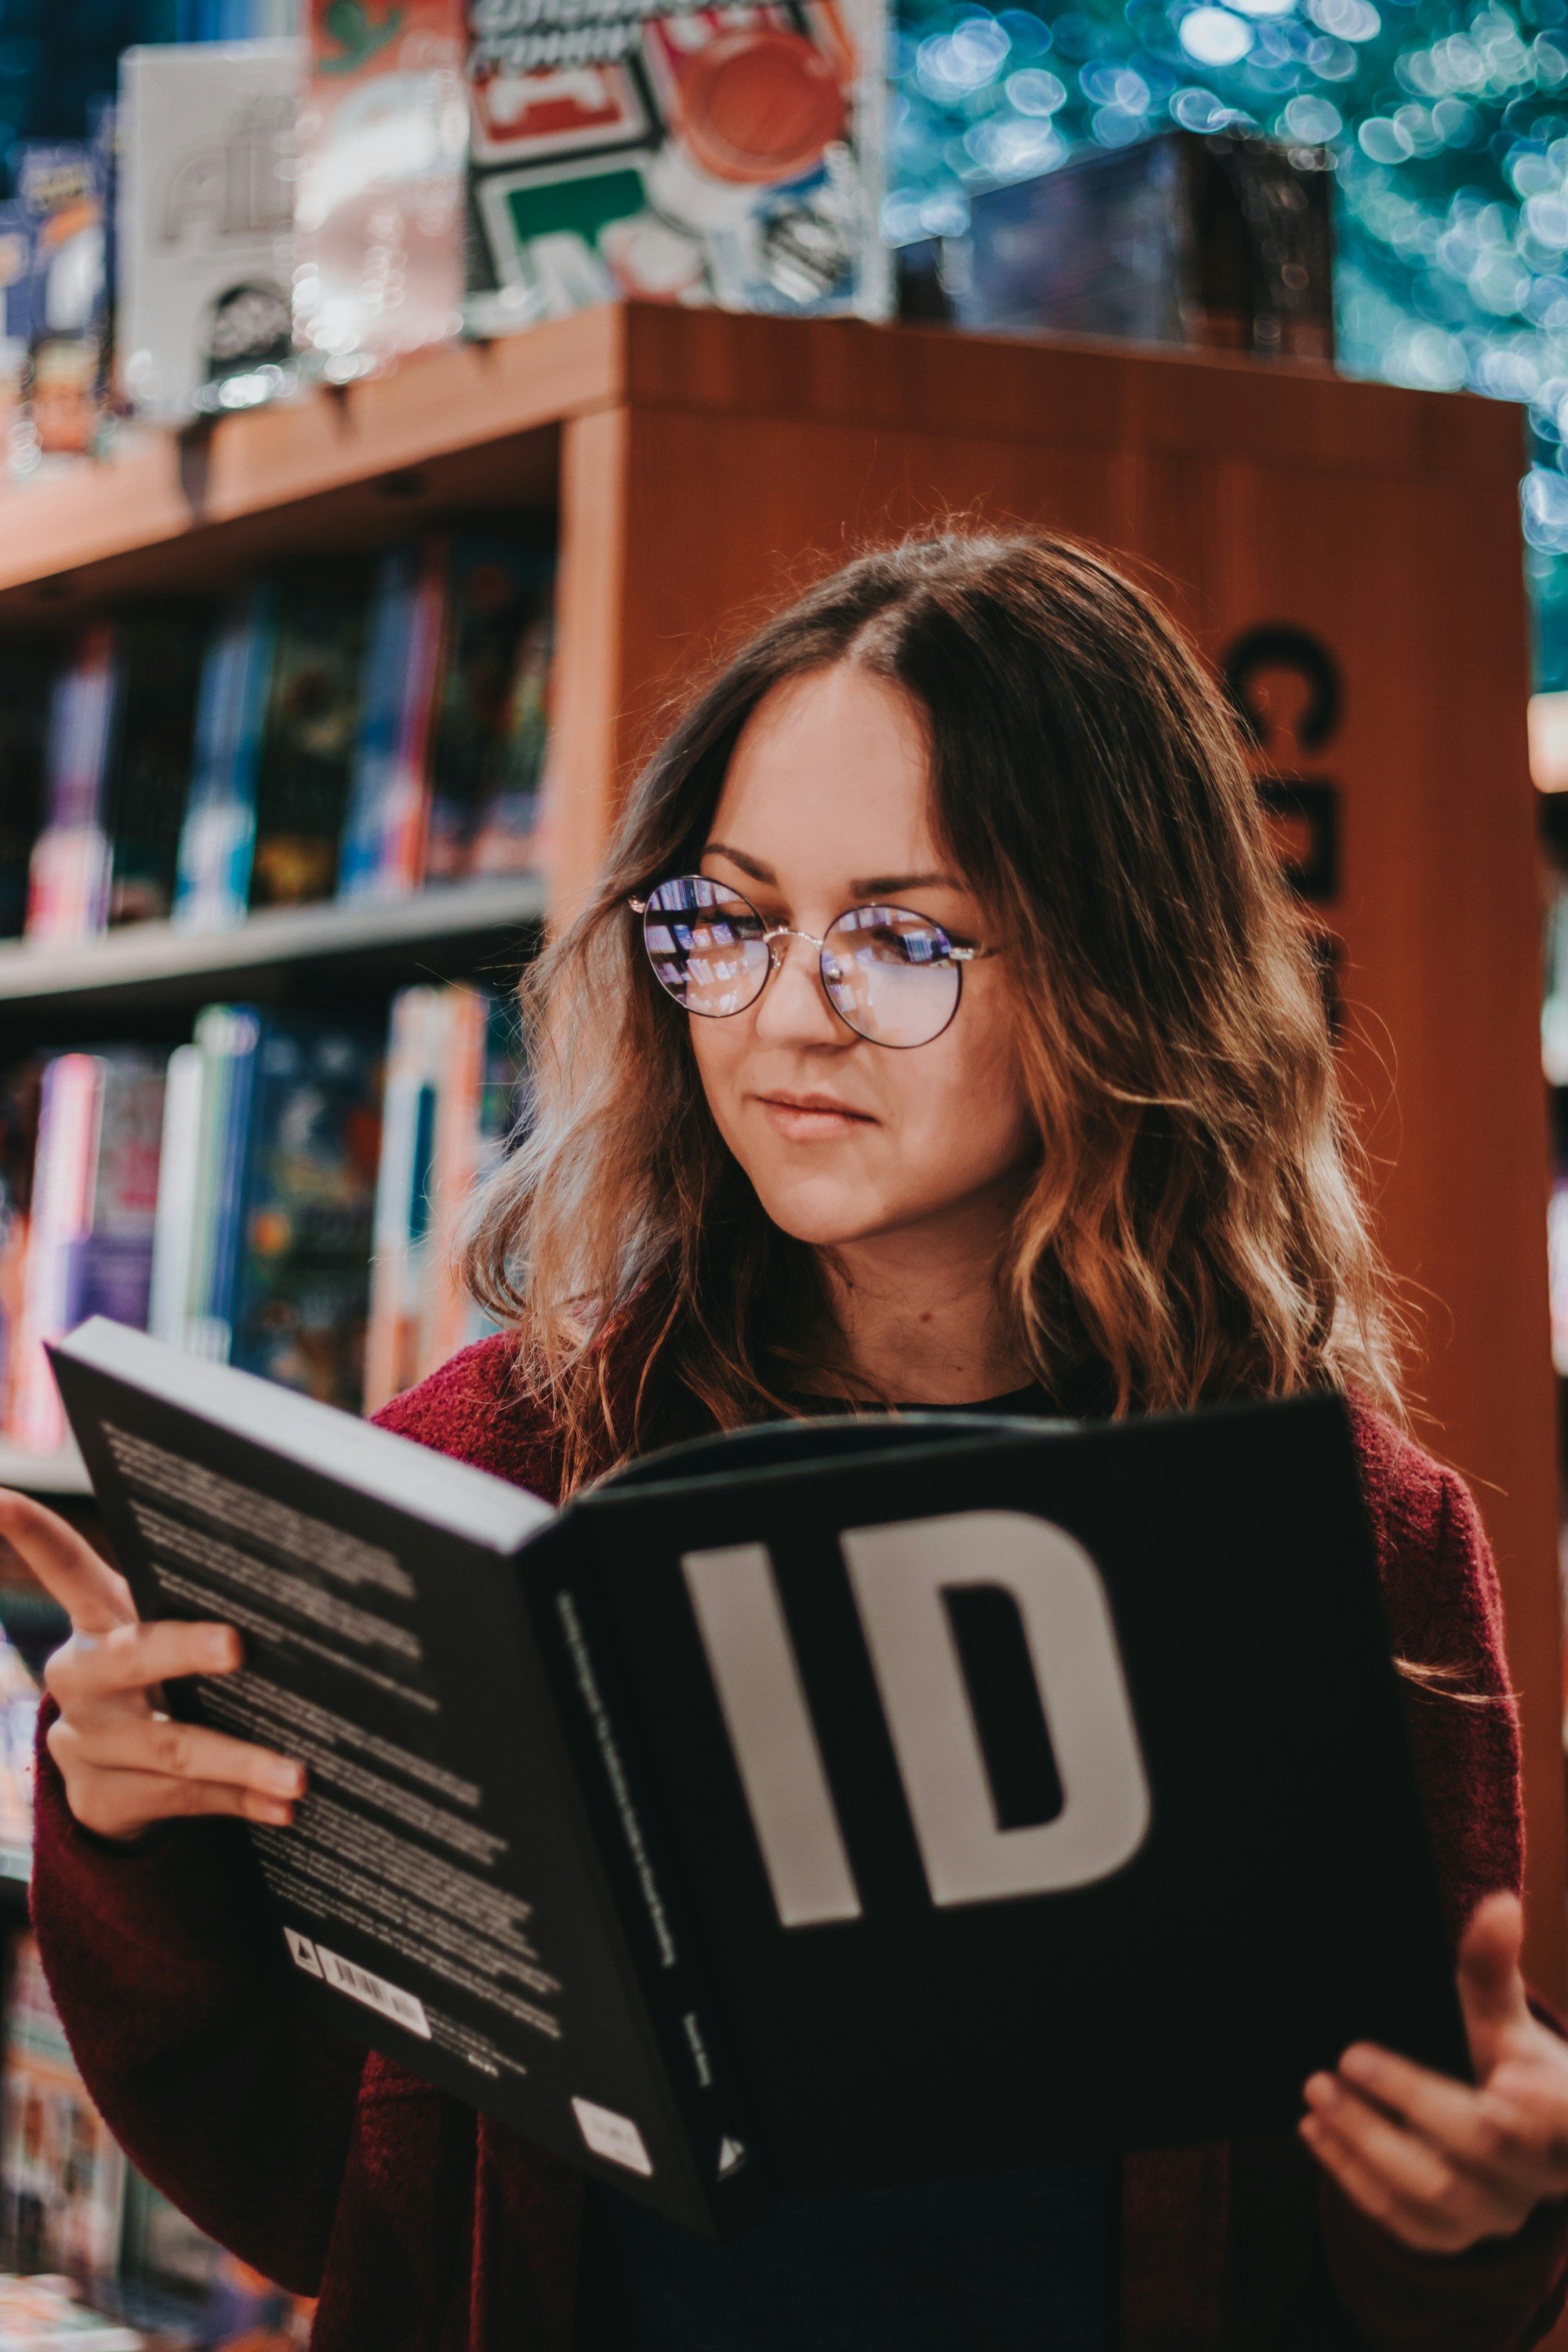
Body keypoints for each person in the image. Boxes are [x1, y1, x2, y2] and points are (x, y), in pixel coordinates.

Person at [8, 529, 1568, 2352]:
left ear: (1122, 969)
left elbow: (1395, 2274)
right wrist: (130, 1824)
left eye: (902, 935)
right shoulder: (493, 1464)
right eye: (732, 919)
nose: (788, 1013)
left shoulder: (1344, 1538)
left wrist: (1486, 2200)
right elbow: (318, 2190)